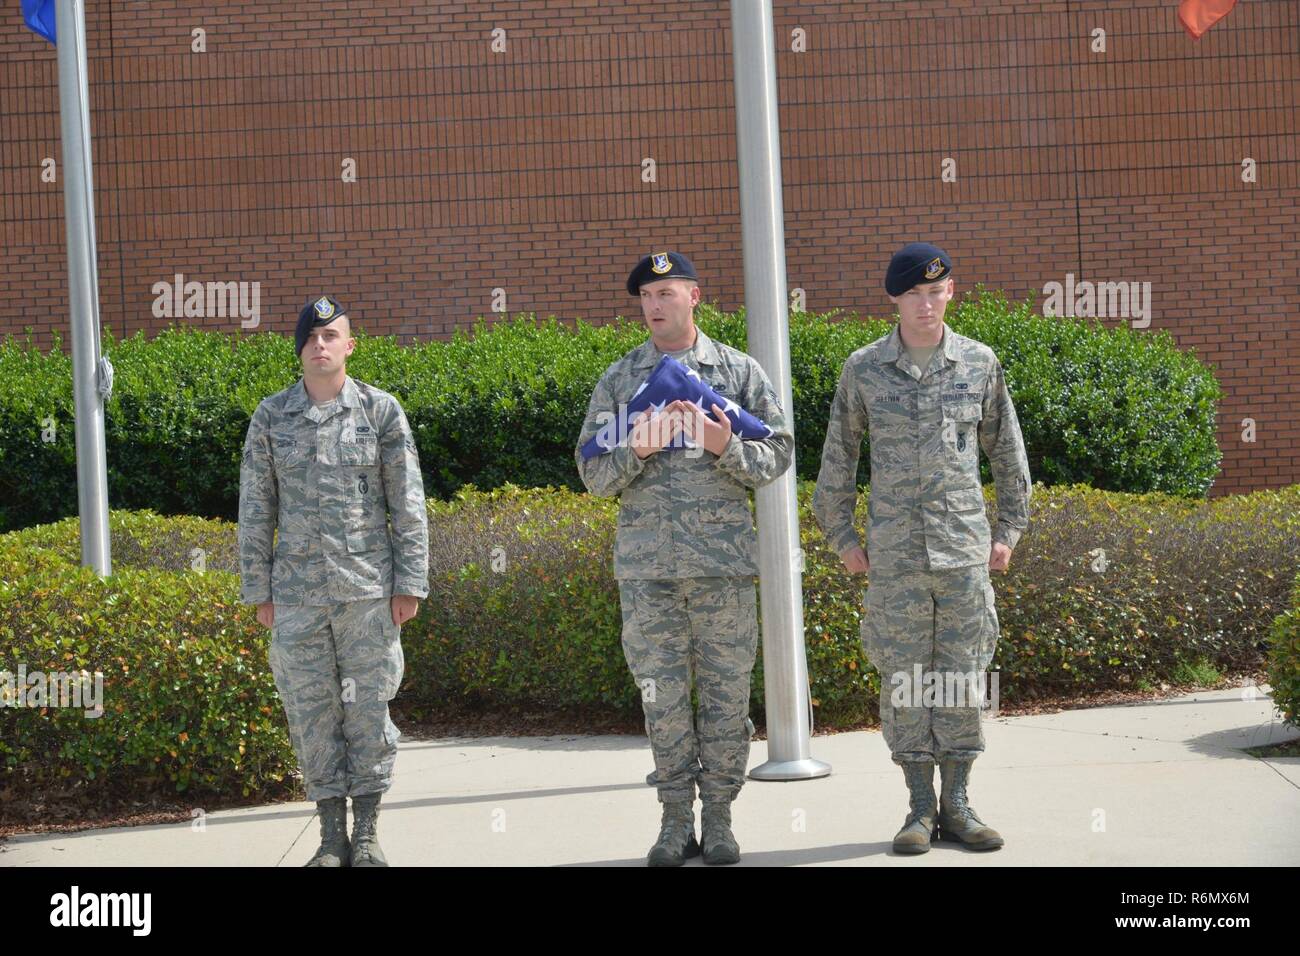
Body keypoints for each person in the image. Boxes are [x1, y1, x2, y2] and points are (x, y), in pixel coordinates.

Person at [575, 252, 794, 866]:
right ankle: (675, 821)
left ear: (694, 296)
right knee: (661, 699)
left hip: (722, 569)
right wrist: (635, 450)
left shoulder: (736, 371)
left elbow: (777, 454)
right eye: (646, 295)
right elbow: (591, 471)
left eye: (666, 292)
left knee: (726, 698)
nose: (654, 304)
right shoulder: (622, 379)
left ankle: (720, 819)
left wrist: (725, 444)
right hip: (648, 575)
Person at [812, 243, 1031, 854]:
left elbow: (1008, 453)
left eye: (936, 292)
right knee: (906, 680)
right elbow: (838, 460)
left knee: (961, 679)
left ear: (950, 293)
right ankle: (917, 808)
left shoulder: (978, 363)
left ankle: (958, 804)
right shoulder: (863, 369)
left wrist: (1007, 532)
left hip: (963, 554)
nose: (926, 304)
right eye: (913, 294)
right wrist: (843, 537)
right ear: (894, 300)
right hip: (895, 559)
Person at [238, 294, 429, 867]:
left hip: (368, 592)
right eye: (311, 337)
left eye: (331, 336)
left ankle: (367, 833)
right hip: (296, 598)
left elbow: (409, 502)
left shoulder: (381, 411)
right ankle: (329, 838)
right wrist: (259, 591)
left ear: (349, 345)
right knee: (311, 713)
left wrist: (410, 582)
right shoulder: (271, 417)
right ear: (299, 348)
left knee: (369, 709)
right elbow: (255, 509)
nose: (320, 345)